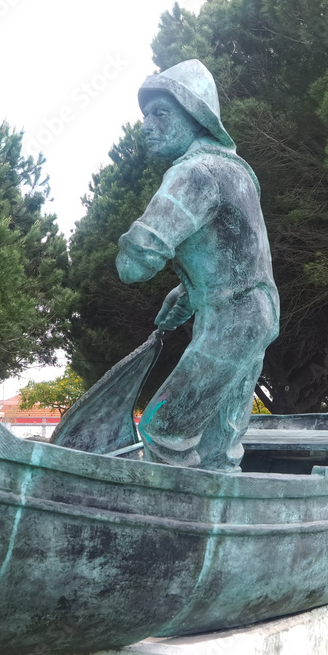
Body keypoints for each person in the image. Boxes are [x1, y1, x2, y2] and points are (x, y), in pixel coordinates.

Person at [116, 59, 279, 472]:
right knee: (217, 450)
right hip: (255, 316)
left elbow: (136, 262)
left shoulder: (195, 173)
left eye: (161, 113)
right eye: (145, 115)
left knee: (163, 430)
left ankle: (166, 531)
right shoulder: (235, 172)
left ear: (195, 119)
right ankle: (224, 529)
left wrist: (133, 250)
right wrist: (188, 292)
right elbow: (236, 256)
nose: (147, 125)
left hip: (232, 321)